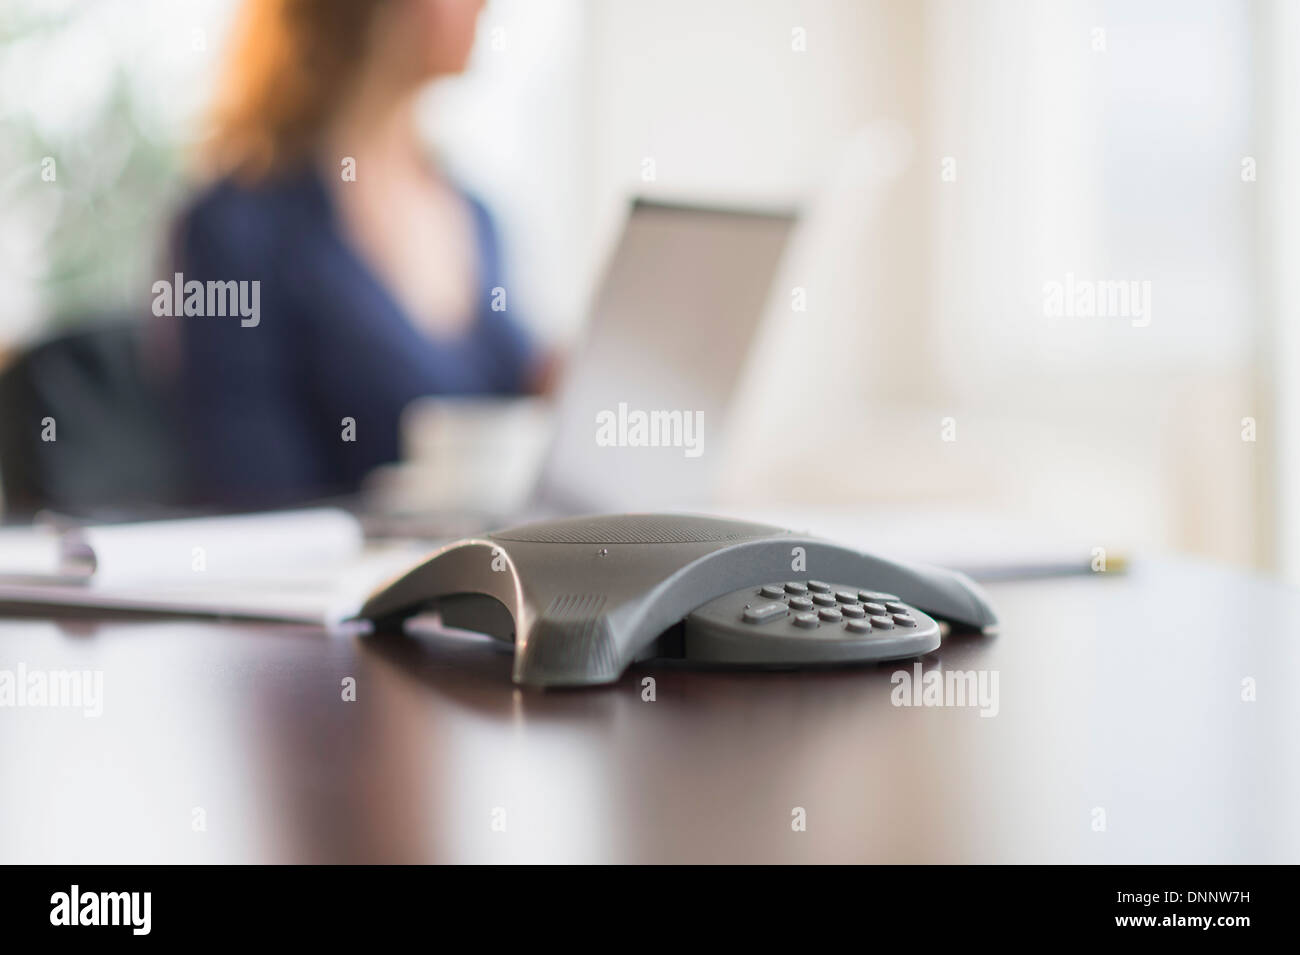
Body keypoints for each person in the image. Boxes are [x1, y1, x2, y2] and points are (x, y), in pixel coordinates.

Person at [168, 0, 553, 507]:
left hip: (490, 573)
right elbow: (248, 488)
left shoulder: (478, 217)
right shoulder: (238, 227)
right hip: (343, 580)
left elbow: (517, 382)